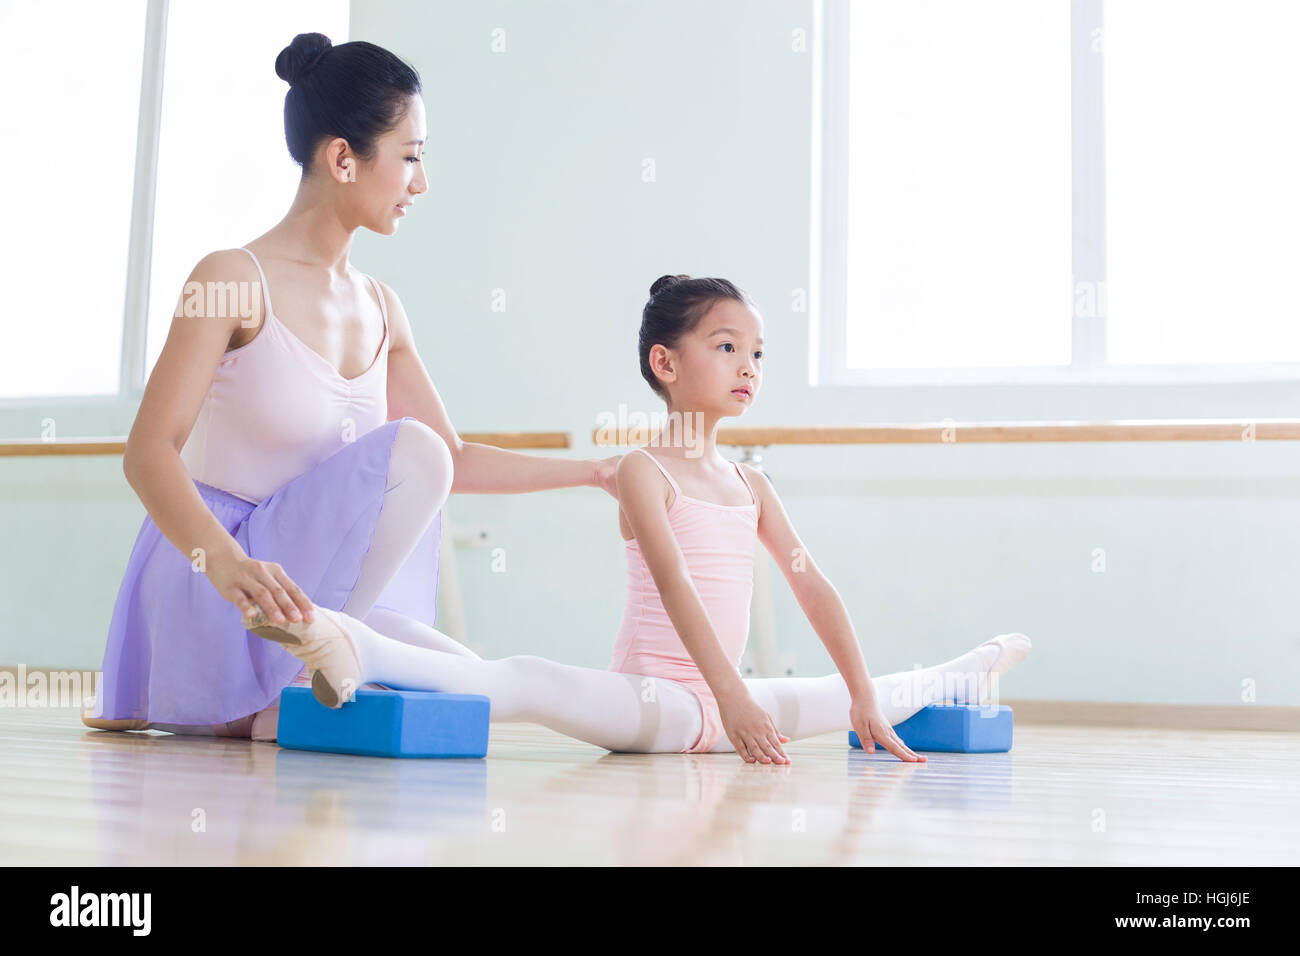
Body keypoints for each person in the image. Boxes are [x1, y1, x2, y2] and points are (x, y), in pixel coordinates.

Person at [236, 273, 1032, 763]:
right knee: (529, 680)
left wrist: (858, 695)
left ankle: (964, 669)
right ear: (666, 363)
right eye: (727, 347)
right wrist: (732, 699)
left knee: (863, 690)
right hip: (661, 702)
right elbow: (676, 584)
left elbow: (813, 586)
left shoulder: (753, 485)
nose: (749, 366)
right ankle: (340, 637)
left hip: (723, 706)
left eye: (758, 352)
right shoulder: (644, 474)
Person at [82, 33, 619, 741]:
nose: (421, 183)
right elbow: (148, 452)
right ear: (342, 157)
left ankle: (313, 670)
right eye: (411, 156)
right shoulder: (230, 279)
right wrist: (230, 564)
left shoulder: (382, 306)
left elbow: (451, 462)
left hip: (318, 598)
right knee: (415, 453)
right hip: (228, 588)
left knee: (474, 686)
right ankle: (296, 675)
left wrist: (596, 472)